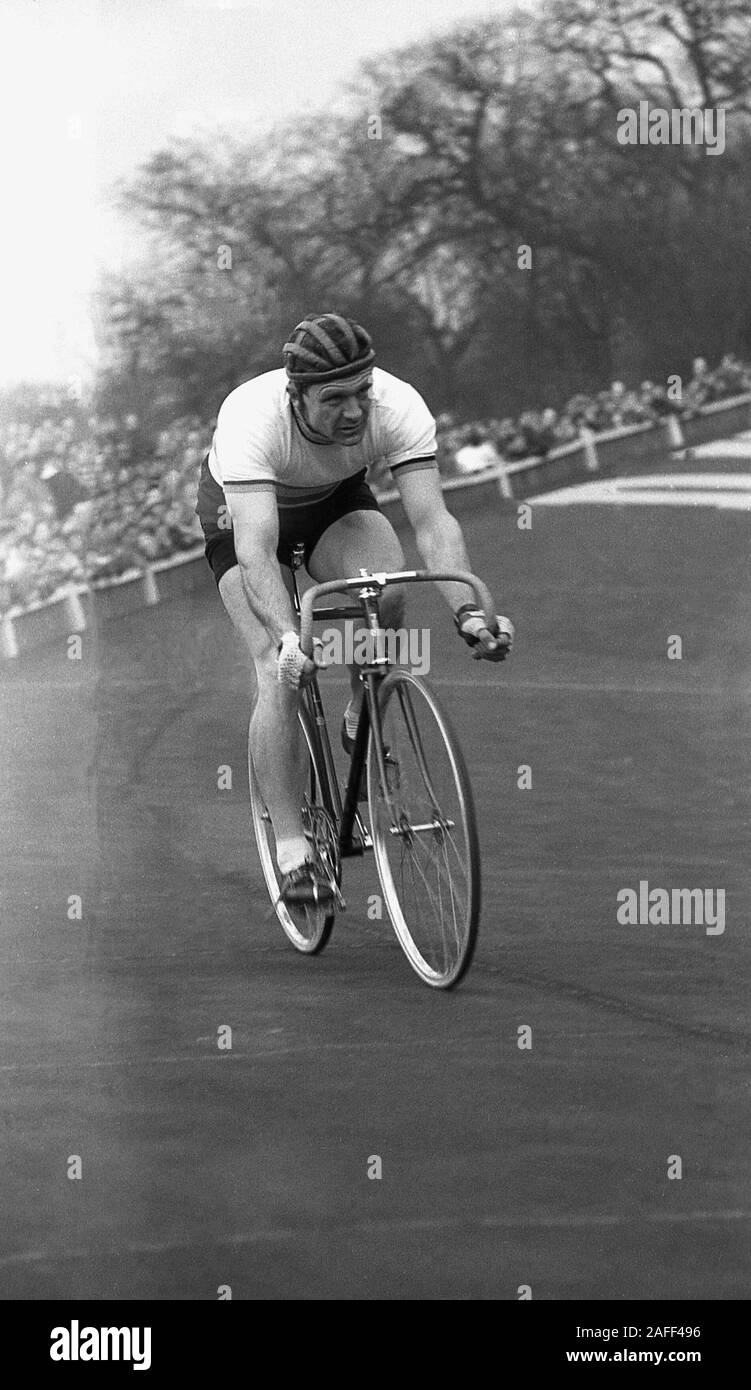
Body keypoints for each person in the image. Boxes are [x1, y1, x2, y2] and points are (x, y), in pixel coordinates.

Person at [196, 313, 514, 903]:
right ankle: (293, 850)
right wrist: (291, 637)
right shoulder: (250, 417)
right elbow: (258, 553)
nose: (353, 411)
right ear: (296, 396)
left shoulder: (399, 407)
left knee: (387, 589)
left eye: (361, 393)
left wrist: (469, 612)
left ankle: (356, 711)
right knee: (275, 665)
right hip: (243, 516)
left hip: (334, 500)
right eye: (334, 398)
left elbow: (433, 523)